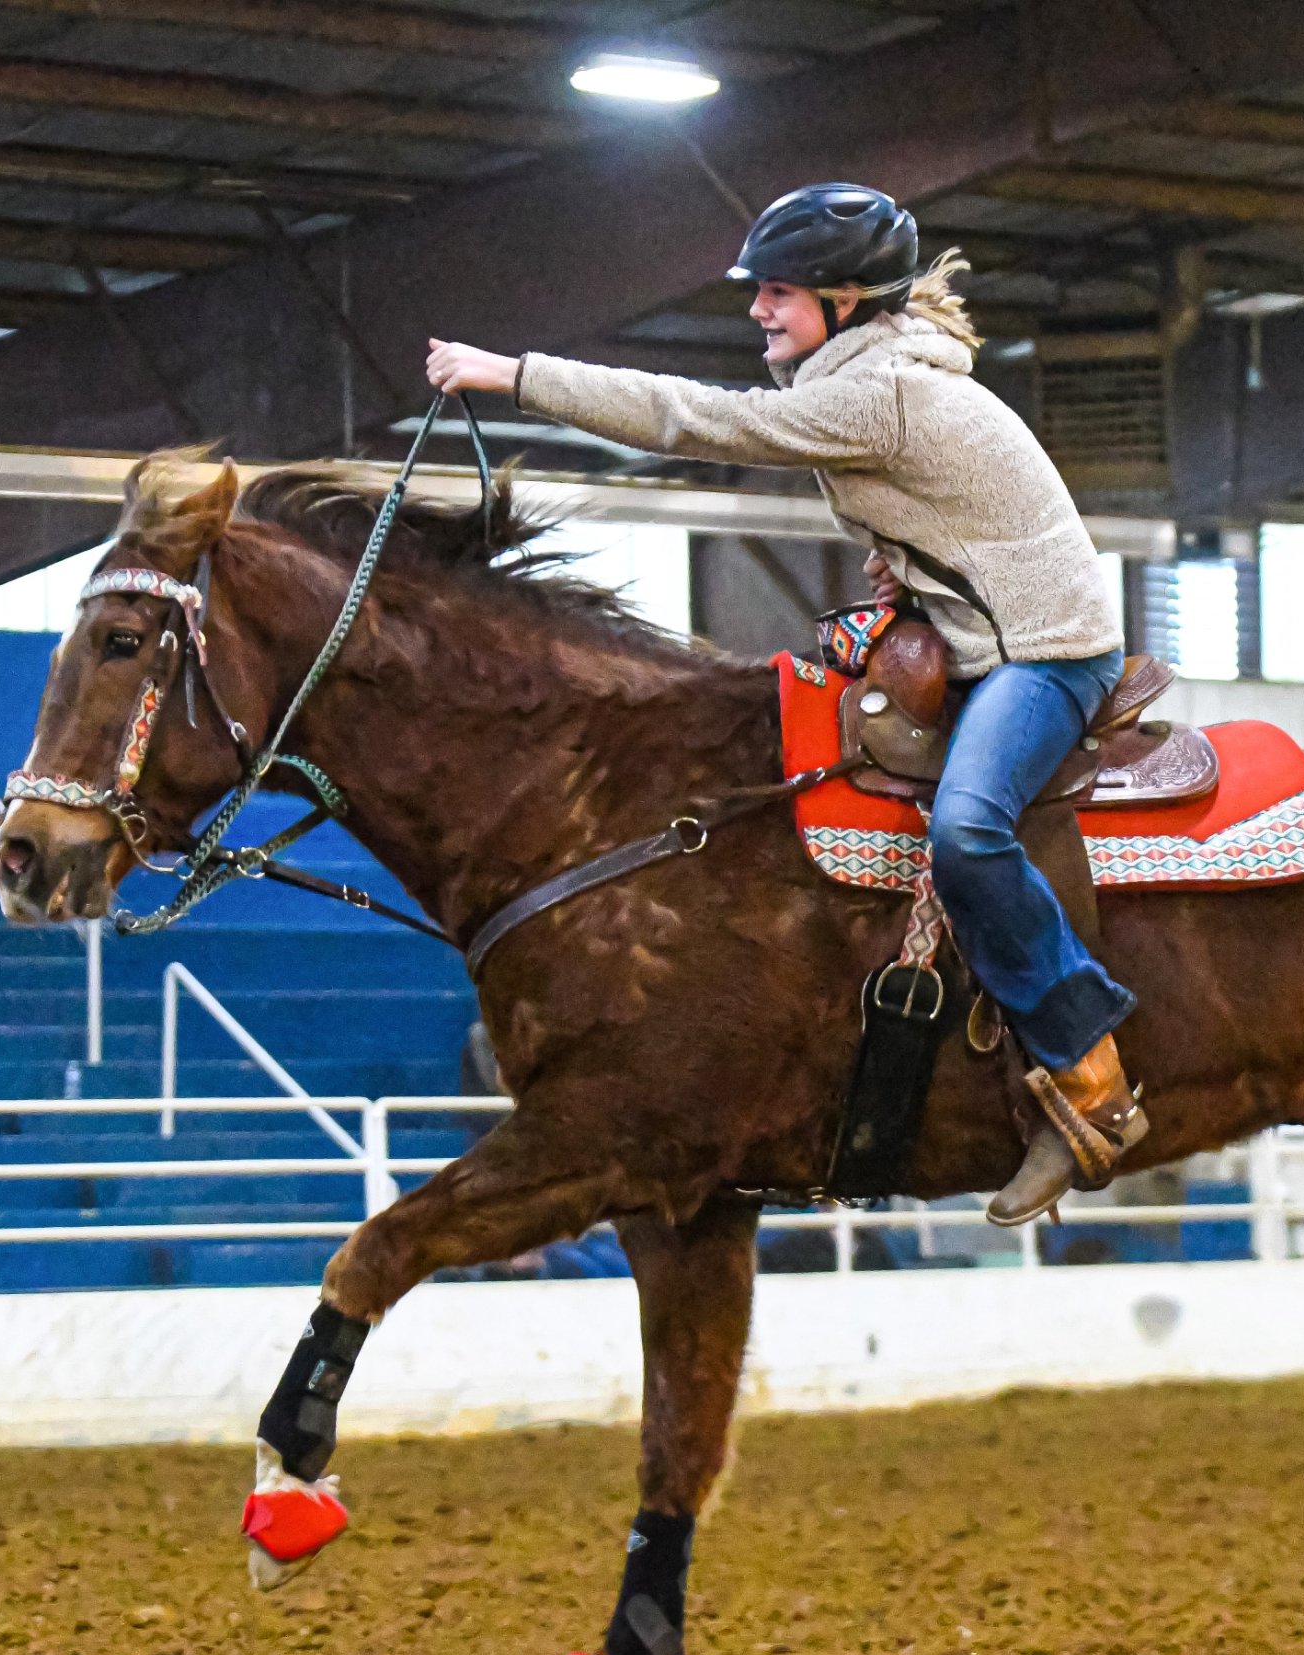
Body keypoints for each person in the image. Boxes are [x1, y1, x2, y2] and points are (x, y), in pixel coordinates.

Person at [424, 183, 1142, 1224]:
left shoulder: (877, 394)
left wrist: (516, 377)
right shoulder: (875, 369)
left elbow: (693, 418)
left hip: (1044, 652)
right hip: (973, 633)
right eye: (760, 290)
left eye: (779, 292)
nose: (758, 309)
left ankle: (1088, 1075)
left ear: (847, 299)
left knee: (970, 832)